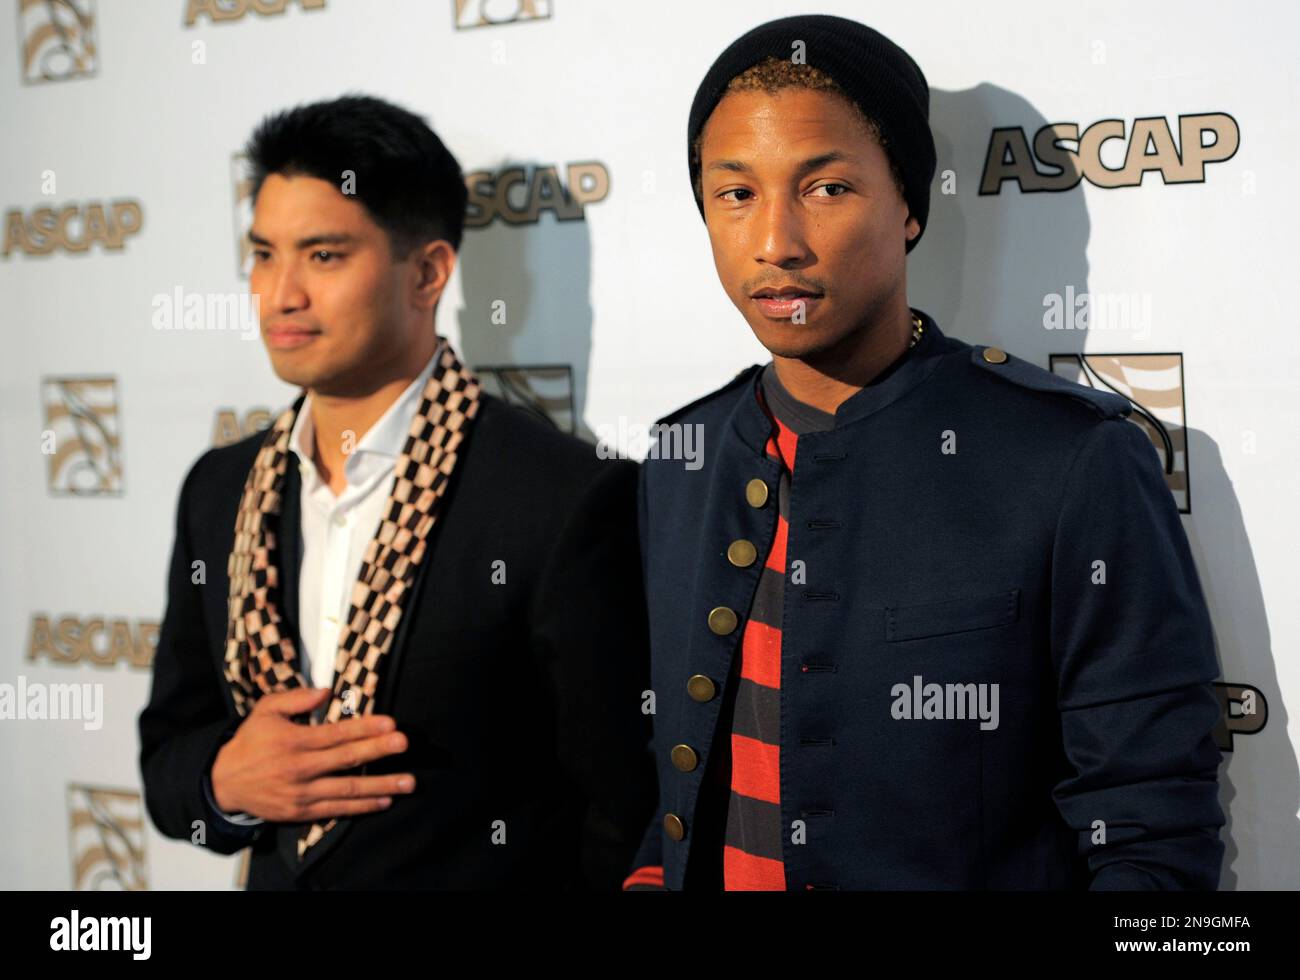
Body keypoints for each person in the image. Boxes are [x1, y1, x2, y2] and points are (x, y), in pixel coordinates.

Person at [621, 15, 1225, 891]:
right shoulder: (683, 455)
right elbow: (674, 774)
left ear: (908, 205)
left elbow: (1151, 827)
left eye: (826, 188)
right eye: (735, 194)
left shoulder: (1069, 457)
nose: (775, 242)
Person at [138, 94, 655, 889]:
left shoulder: (559, 498)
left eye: (324, 255)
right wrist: (225, 784)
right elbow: (170, 757)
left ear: (428, 271)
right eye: (264, 254)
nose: (281, 294)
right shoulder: (221, 490)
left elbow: (622, 810)